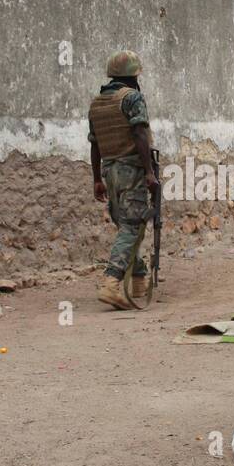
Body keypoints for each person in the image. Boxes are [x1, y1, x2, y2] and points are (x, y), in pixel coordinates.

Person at [88, 50, 158, 309]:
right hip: (130, 170)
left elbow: (95, 144)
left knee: (127, 226)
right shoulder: (132, 98)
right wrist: (149, 172)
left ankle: (138, 278)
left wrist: (97, 179)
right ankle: (111, 282)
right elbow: (140, 135)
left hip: (109, 170)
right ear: (133, 76)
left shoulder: (97, 103)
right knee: (132, 226)